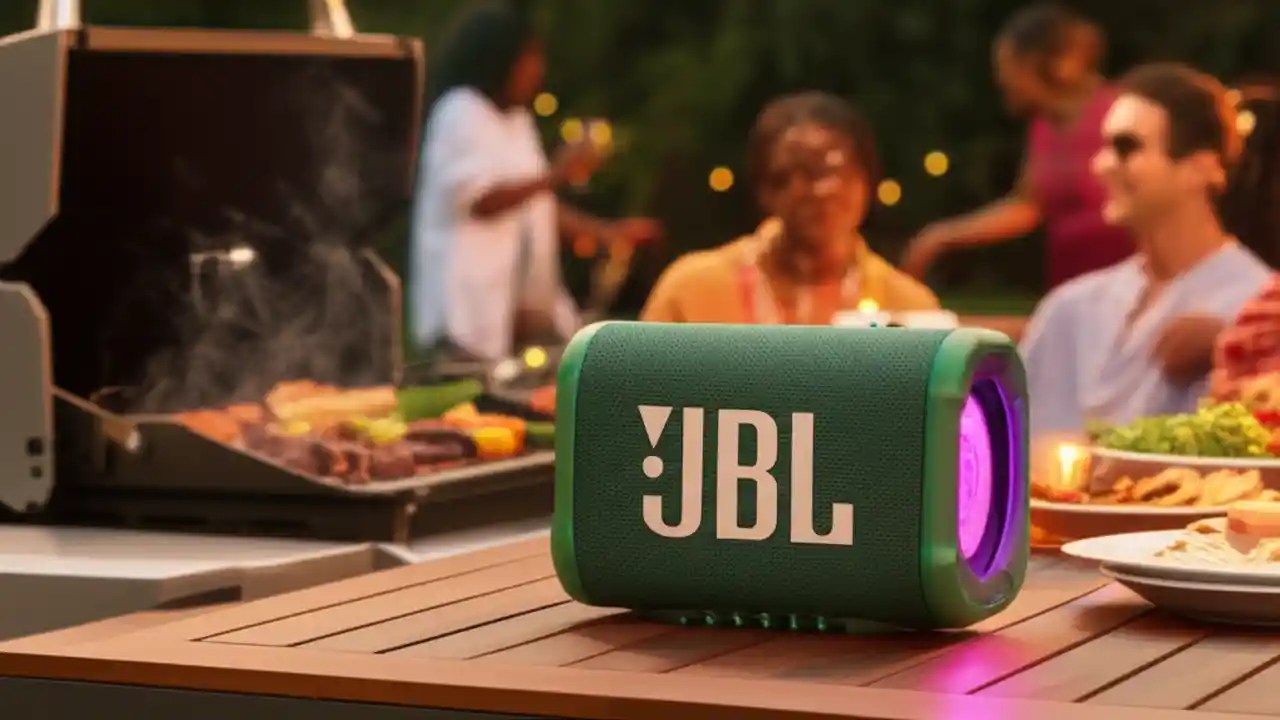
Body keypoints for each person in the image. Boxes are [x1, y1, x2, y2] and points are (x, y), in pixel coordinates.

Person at [1022, 62, 1274, 440]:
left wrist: (1224, 342)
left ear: (1202, 168)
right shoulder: (1070, 309)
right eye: (1103, 147)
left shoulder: (1256, 312)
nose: (1101, 165)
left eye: (1126, 147)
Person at [409, 0, 661, 362]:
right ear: (498, 58)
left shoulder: (517, 122)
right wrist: (560, 172)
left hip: (514, 320)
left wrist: (606, 233)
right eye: (529, 59)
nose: (536, 72)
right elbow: (483, 200)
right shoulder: (460, 112)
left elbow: (535, 203)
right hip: (463, 320)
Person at [640, 91, 938, 324]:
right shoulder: (693, 289)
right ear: (767, 189)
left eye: (841, 170)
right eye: (806, 172)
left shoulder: (908, 306)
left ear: (868, 181)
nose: (826, 190)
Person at [901, 3, 1132, 290]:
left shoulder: (1123, 112)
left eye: (1009, 66)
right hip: (1076, 294)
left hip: (1134, 291)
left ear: (1041, 63)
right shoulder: (1044, 128)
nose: (1001, 78)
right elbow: (1028, 206)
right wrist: (940, 236)